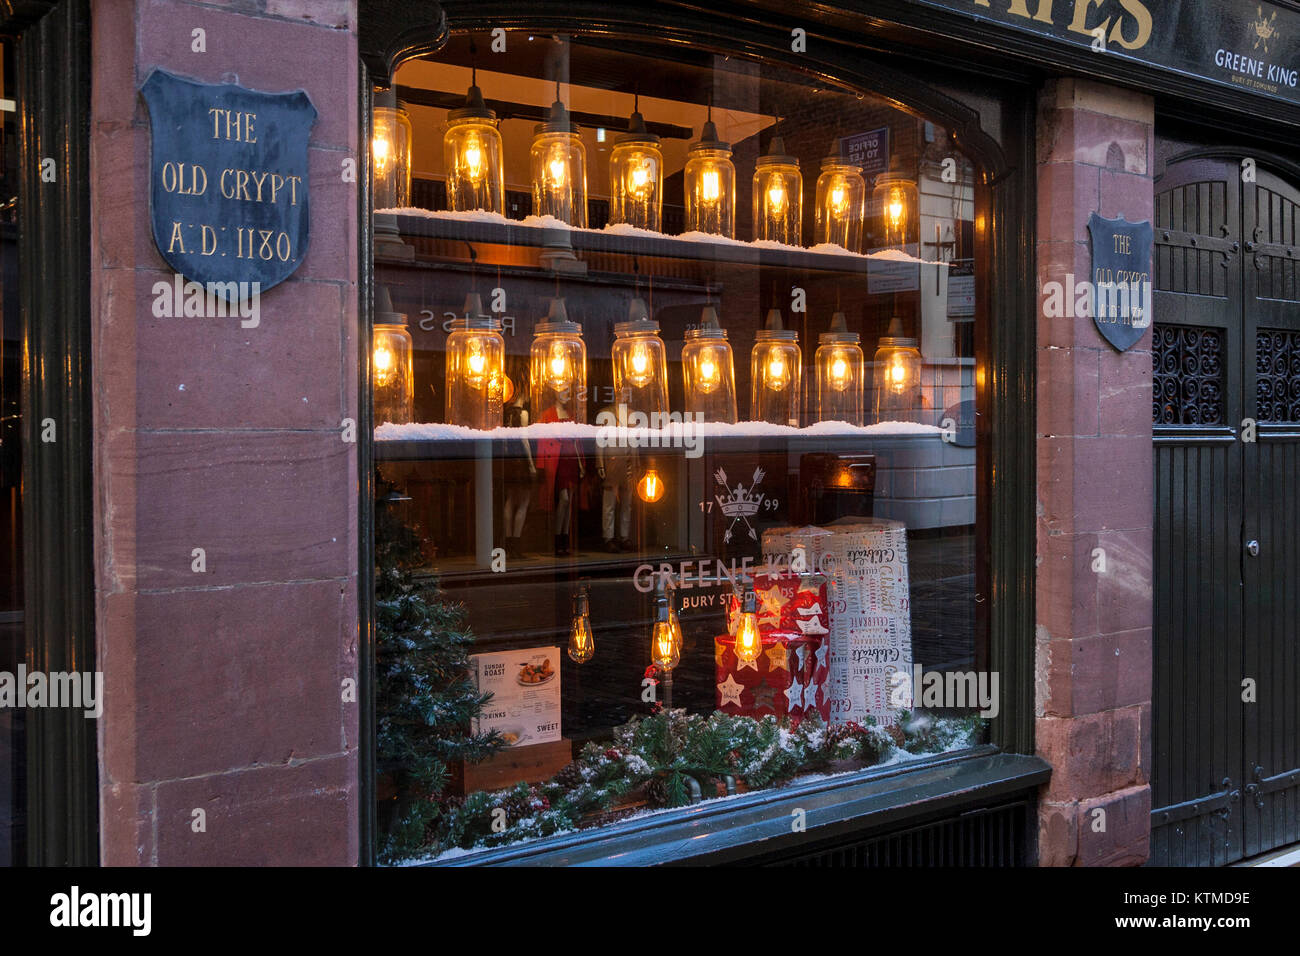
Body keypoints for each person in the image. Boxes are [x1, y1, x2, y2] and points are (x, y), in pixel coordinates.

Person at [537, 392, 584, 557]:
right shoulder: (548, 414)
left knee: (569, 500)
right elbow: (542, 440)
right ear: (555, 393)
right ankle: (557, 539)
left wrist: (580, 461)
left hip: (570, 459)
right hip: (558, 460)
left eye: (568, 393)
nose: (566, 395)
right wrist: (540, 464)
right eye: (562, 392)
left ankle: (565, 539)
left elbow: (576, 440)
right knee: (563, 499)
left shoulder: (571, 414)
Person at [501, 360, 536, 559]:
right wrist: (531, 464)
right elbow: (524, 440)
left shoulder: (507, 413)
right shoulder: (522, 413)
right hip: (521, 461)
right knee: (523, 502)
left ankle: (508, 543)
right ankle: (516, 542)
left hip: (508, 460)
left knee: (510, 501)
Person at [596, 400, 635, 552]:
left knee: (627, 502)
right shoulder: (605, 413)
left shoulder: (631, 414)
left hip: (627, 461)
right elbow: (599, 440)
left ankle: (624, 537)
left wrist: (636, 461)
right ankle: (608, 537)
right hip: (611, 461)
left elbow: (634, 439)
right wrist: (599, 463)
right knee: (609, 502)